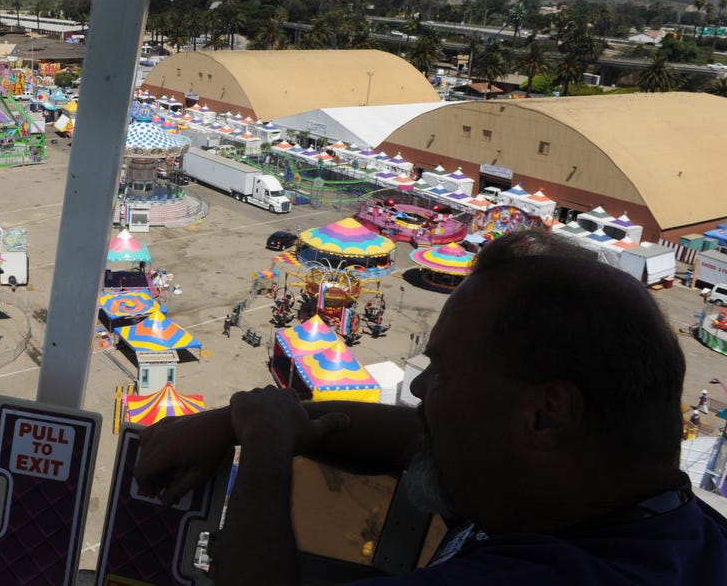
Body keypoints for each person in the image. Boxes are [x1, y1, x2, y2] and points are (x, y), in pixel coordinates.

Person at [135, 230, 727, 585]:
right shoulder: (646, 519)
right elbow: (409, 437)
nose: (419, 391)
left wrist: (264, 450)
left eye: (441, 372)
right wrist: (236, 419)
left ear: (548, 413)